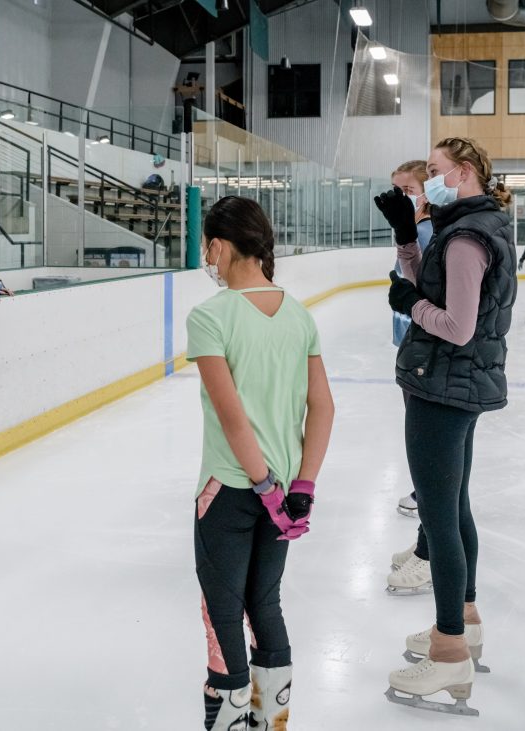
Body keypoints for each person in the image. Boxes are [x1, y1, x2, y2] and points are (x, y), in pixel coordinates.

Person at [375, 136, 516, 715]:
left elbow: (456, 326)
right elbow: (429, 284)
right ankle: (466, 620)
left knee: (439, 519)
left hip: (442, 387)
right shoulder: (473, 225)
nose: (428, 179)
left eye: (434, 170)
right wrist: (407, 238)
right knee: (454, 509)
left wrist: (409, 305)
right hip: (456, 385)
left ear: (461, 174)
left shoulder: (464, 238)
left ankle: (449, 648)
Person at [187, 196, 335, 730]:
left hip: (230, 490)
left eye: (207, 247)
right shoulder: (299, 314)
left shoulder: (210, 316)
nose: (207, 257)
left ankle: (227, 721)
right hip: (285, 498)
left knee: (223, 610)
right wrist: (301, 489)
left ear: (219, 247)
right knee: (265, 604)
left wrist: (265, 487)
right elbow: (323, 407)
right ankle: (272, 721)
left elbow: (233, 418)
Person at [389, 160, 434, 521]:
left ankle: (427, 492)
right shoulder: (414, 227)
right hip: (412, 340)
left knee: (422, 427)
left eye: (408, 190)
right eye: (396, 191)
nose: (401, 197)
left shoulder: (426, 230)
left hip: (423, 344)